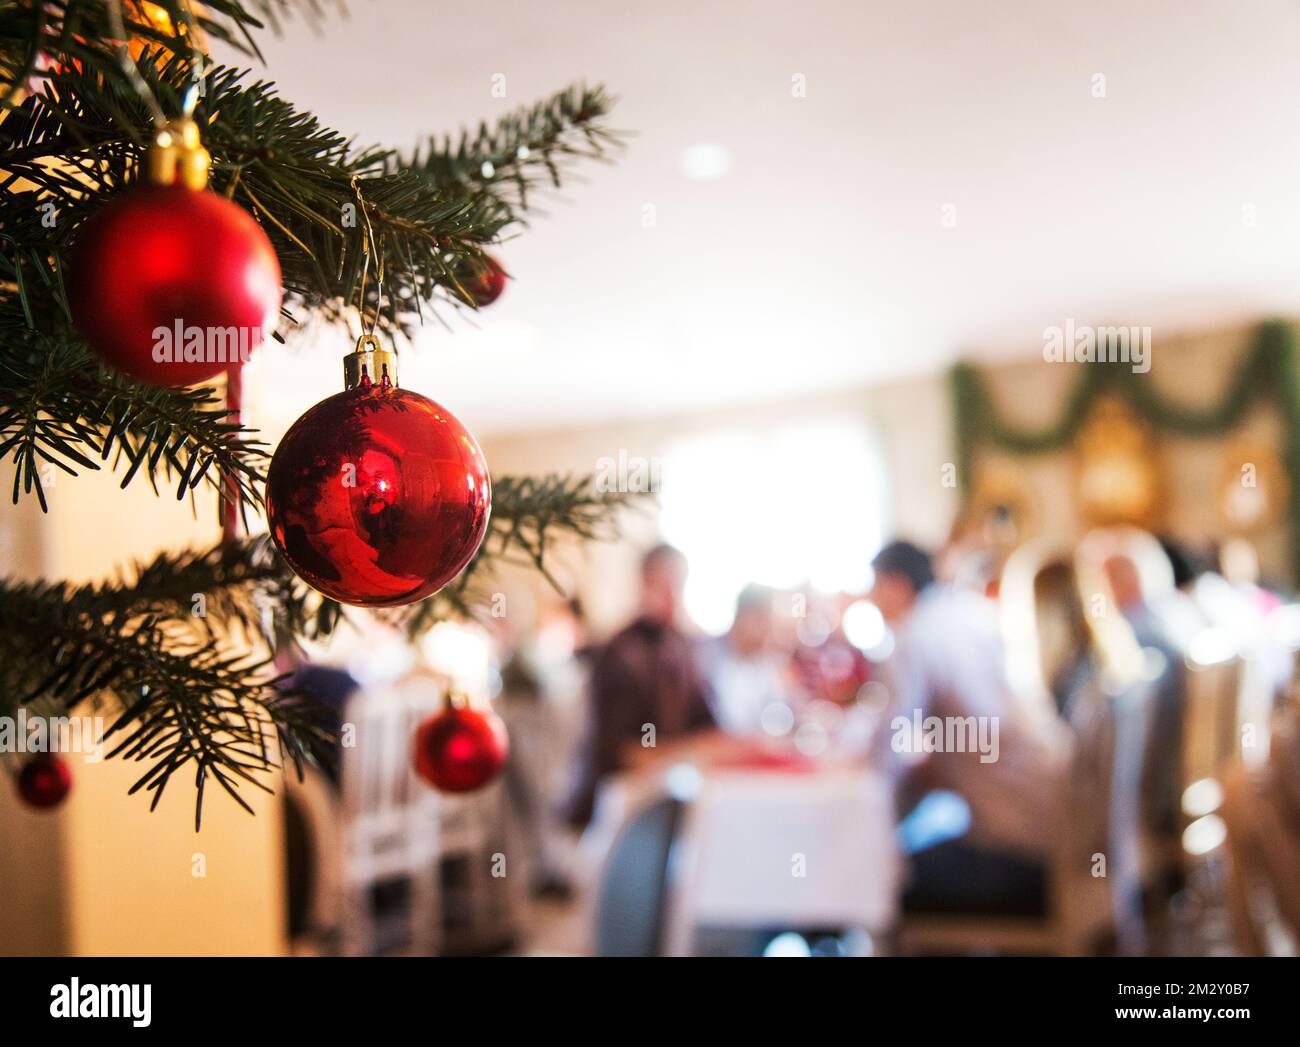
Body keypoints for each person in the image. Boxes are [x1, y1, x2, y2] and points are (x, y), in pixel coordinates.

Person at [869, 540, 1068, 915]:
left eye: (874, 588)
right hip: (1064, 828)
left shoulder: (916, 636)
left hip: (1020, 846)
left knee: (886, 878)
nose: (872, 602)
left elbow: (887, 751)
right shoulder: (974, 610)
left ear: (896, 585)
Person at [564, 544, 717, 826]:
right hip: (617, 813)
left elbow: (709, 729)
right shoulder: (621, 654)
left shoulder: (684, 649)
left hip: (669, 796)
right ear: (644, 582)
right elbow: (624, 755)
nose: (673, 595)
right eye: (665, 583)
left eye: (679, 584)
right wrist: (693, 751)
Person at [702, 584, 797, 735]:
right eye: (768, 622)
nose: (772, 632)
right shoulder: (705, 660)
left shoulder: (769, 665)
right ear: (744, 617)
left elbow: (780, 721)